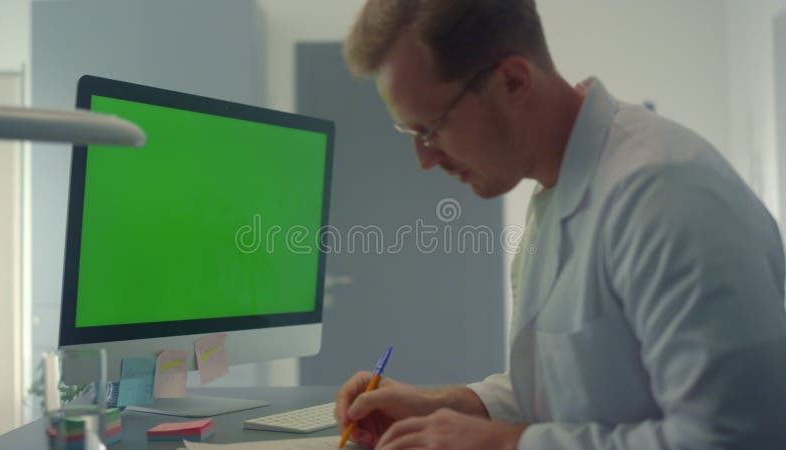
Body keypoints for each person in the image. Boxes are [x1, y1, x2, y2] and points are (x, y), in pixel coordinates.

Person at [333, 1, 786, 449]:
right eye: (412, 135)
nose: (425, 159)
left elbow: (735, 435)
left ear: (513, 82)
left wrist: (503, 445)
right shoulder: (558, 188)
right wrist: (452, 405)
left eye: (432, 128)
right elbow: (571, 391)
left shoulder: (667, 195)